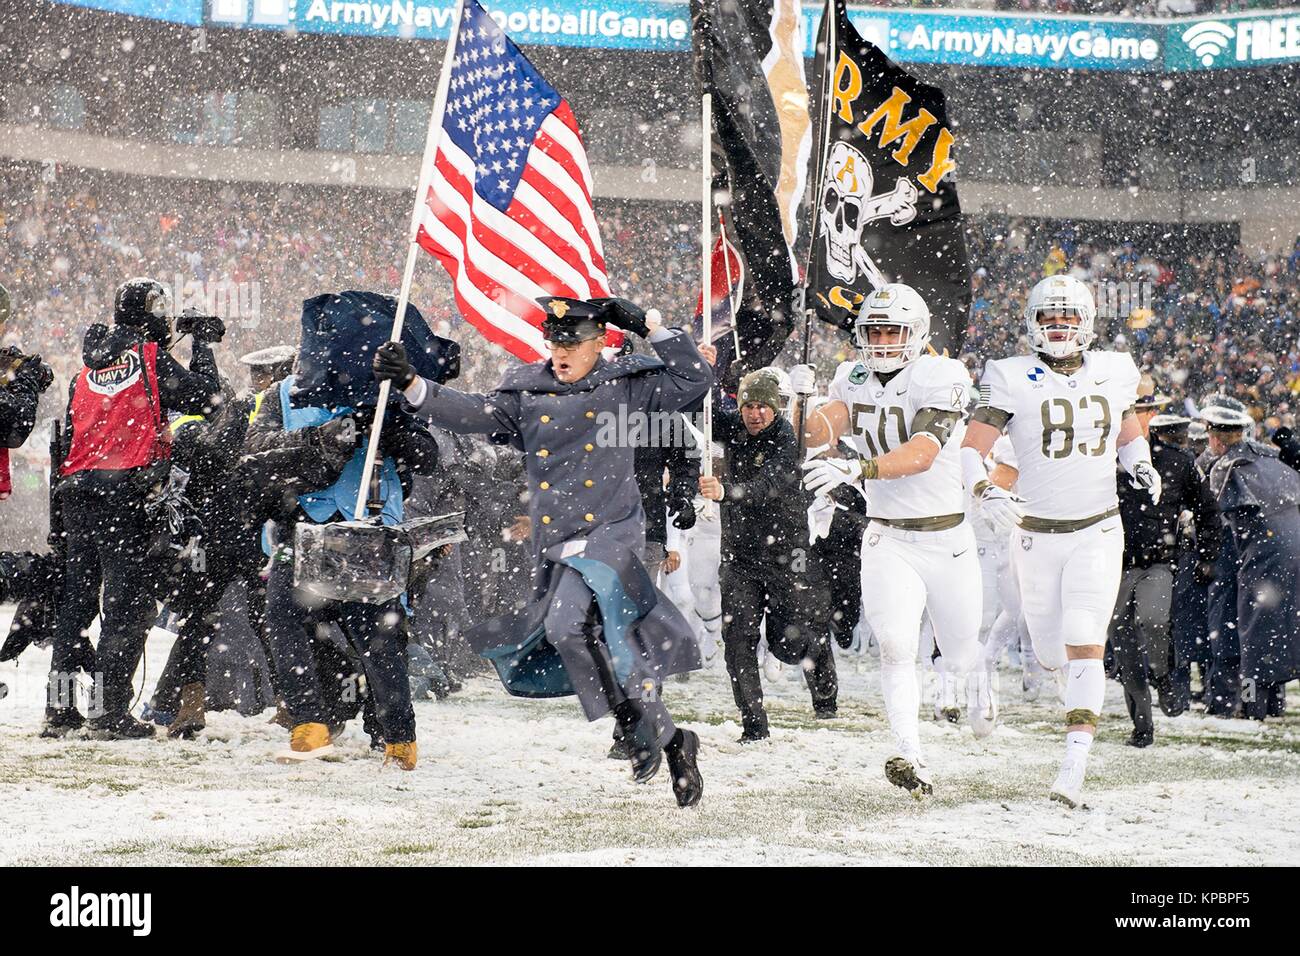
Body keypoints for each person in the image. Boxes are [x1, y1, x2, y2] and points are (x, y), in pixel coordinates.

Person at [376, 296, 710, 807]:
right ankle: (668, 738)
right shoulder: (528, 390)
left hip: (611, 538)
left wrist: (647, 323)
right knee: (607, 647)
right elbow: (470, 413)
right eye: (554, 340)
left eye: (572, 341)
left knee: (567, 629)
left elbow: (694, 379)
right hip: (557, 545)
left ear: (599, 342)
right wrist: (410, 385)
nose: (560, 350)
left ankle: (633, 725)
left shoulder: (626, 385)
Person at [960, 274, 1155, 808]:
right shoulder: (1008, 375)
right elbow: (973, 449)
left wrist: (1141, 465)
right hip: (1036, 535)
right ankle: (1037, 691)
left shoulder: (1115, 370)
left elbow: (1128, 427)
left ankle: (1073, 766)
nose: (1059, 326)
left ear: (1087, 322)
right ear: (1033, 322)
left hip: (1098, 527)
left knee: (1084, 639)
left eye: (1068, 317)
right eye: (1049, 317)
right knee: (1049, 653)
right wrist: (982, 489)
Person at [798, 283, 985, 797]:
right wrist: (800, 404)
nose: (881, 341)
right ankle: (910, 752)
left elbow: (923, 451)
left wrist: (859, 468)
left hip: (946, 536)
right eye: (873, 330)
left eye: (892, 330)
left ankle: (977, 684)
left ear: (918, 333)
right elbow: (820, 433)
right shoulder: (852, 375)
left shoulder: (943, 374)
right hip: (887, 537)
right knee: (896, 647)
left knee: (961, 653)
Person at [44, 278, 222, 739]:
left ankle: (59, 710)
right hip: (125, 493)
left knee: (77, 604)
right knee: (127, 608)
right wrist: (202, 342)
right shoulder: (148, 358)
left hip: (77, 491)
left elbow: (71, 436)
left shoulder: (84, 369)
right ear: (149, 314)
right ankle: (108, 713)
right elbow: (207, 399)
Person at [244, 357, 438, 767]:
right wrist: (318, 440)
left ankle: (398, 737)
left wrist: (389, 427)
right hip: (302, 525)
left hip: (366, 527)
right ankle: (309, 723)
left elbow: (427, 456)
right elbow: (254, 450)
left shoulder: (386, 395)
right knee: (282, 615)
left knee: (377, 635)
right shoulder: (281, 394)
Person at [702, 367, 838, 745]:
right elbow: (700, 407)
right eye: (749, 405)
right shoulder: (731, 427)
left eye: (763, 406)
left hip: (789, 551)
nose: (755, 413)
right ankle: (754, 723)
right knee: (739, 638)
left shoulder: (786, 441)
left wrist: (726, 491)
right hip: (739, 556)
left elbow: (767, 486)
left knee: (791, 639)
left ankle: (822, 674)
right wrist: (704, 368)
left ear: (777, 408)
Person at [1107, 391, 1220, 747]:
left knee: (1153, 621)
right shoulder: (1099, 458)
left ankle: (1164, 674)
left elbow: (1207, 510)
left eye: (1141, 412)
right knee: (1123, 647)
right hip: (1111, 563)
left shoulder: (1175, 460)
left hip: (1158, 560)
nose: (1137, 418)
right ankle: (1142, 725)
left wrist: (1207, 555)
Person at [1201, 394, 1300, 720]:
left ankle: (1248, 705)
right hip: (1290, 553)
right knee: (1277, 632)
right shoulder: (1271, 459)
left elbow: (1216, 525)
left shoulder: (1226, 469)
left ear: (1215, 437)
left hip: (1261, 555)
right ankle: (1274, 704)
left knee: (1249, 634)